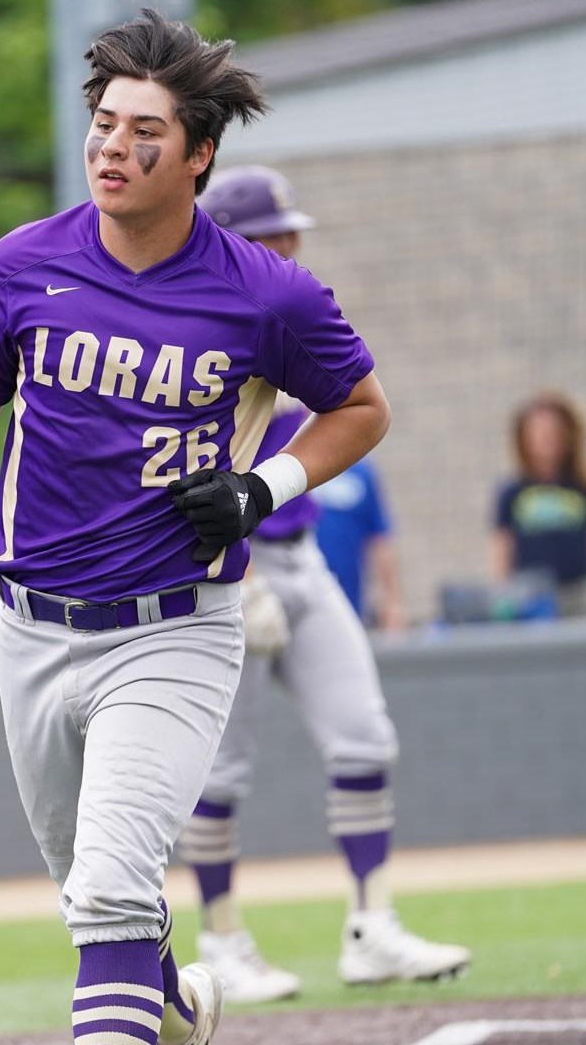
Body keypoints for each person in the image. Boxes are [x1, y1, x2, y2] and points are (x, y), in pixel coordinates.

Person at [0, 11, 390, 1045]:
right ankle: (173, 1005)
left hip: (174, 629)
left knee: (113, 893)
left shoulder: (266, 294)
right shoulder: (24, 261)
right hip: (32, 631)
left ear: (200, 154)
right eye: (105, 123)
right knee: (95, 896)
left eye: (145, 132)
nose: (113, 148)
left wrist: (261, 488)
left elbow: (362, 409)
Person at [175, 166, 469, 1003]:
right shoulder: (199, 324)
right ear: (232, 239)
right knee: (222, 768)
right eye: (272, 234)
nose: (291, 247)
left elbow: (348, 414)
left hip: (302, 561)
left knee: (365, 738)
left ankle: (372, 925)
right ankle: (222, 937)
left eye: (291, 233)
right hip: (228, 569)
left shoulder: (292, 313)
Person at [491, 393, 586, 617]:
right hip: (530, 596)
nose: (545, 438)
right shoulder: (513, 491)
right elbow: (502, 548)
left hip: (577, 592)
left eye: (553, 430)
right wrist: (501, 600)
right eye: (537, 431)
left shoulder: (583, 489)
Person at [311, 459, 408, 632]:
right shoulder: (298, 465)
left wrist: (392, 602)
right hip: (304, 591)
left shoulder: (361, 473)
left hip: (349, 596)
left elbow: (381, 538)